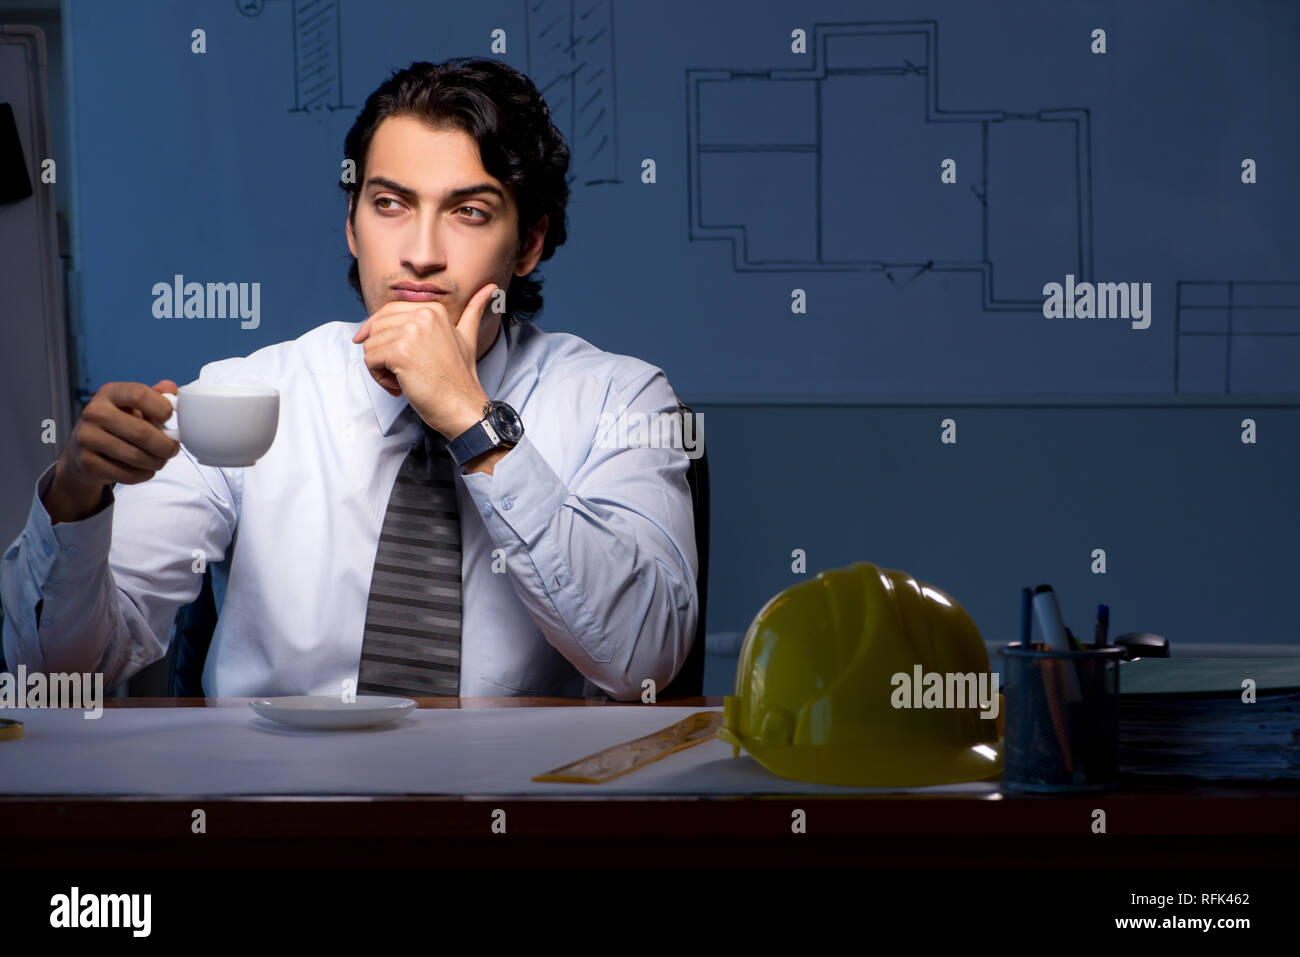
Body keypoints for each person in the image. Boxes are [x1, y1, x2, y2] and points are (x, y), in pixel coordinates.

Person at [0, 58, 698, 700]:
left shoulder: (621, 399)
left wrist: (471, 421)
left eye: (470, 212)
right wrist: (75, 499)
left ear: (531, 243)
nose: (420, 254)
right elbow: (60, 675)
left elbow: (646, 660)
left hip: (504, 818)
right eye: (389, 204)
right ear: (354, 227)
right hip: (273, 811)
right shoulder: (248, 394)